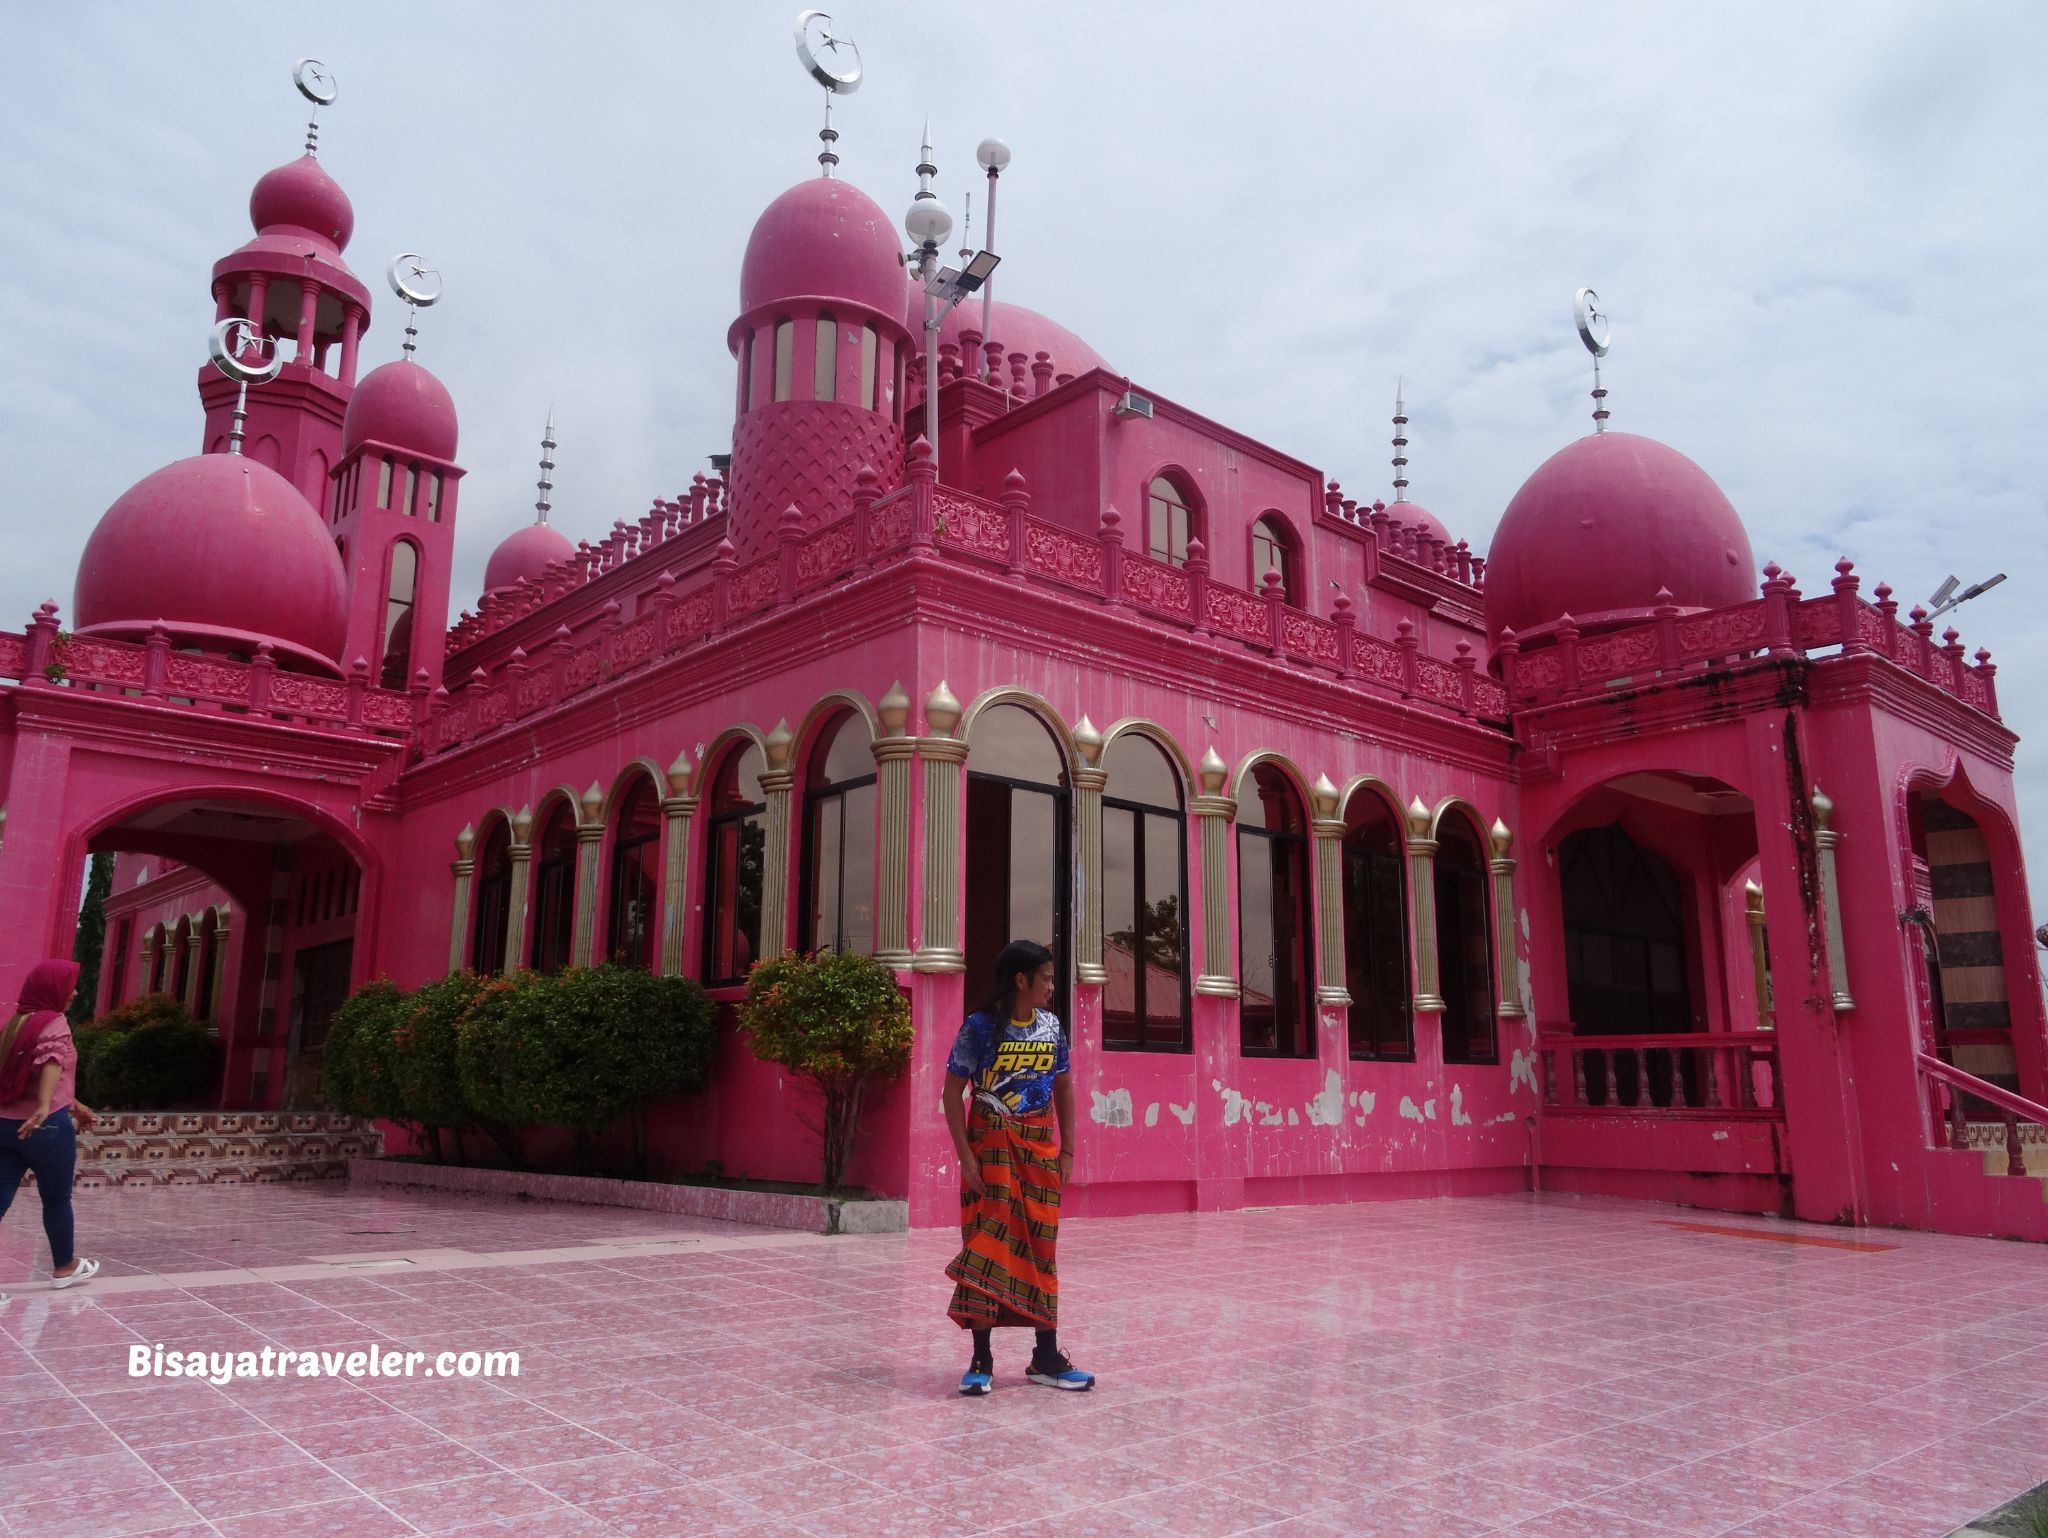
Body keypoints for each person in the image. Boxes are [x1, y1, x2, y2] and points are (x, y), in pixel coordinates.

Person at [942, 939, 1094, 1395]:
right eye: (1045, 978)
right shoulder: (980, 1028)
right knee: (987, 1245)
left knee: (1041, 1250)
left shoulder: (1051, 1027)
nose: (1051, 986)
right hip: (989, 1151)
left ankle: (1046, 1357)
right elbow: (952, 1094)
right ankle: (981, 1360)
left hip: (1039, 1153)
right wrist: (966, 1158)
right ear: (1020, 980)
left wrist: (1068, 1150)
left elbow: (1063, 1087)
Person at [0, 960, 101, 1298]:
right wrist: (45, 1106)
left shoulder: (15, 1025)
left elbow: (26, 1076)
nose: (74, 992)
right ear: (52, 989)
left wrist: (74, 1103)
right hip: (46, 1128)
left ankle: (65, 1267)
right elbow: (52, 1062)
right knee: (56, 1199)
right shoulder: (55, 1022)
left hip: (6, 1126)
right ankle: (64, 1266)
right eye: (69, 985)